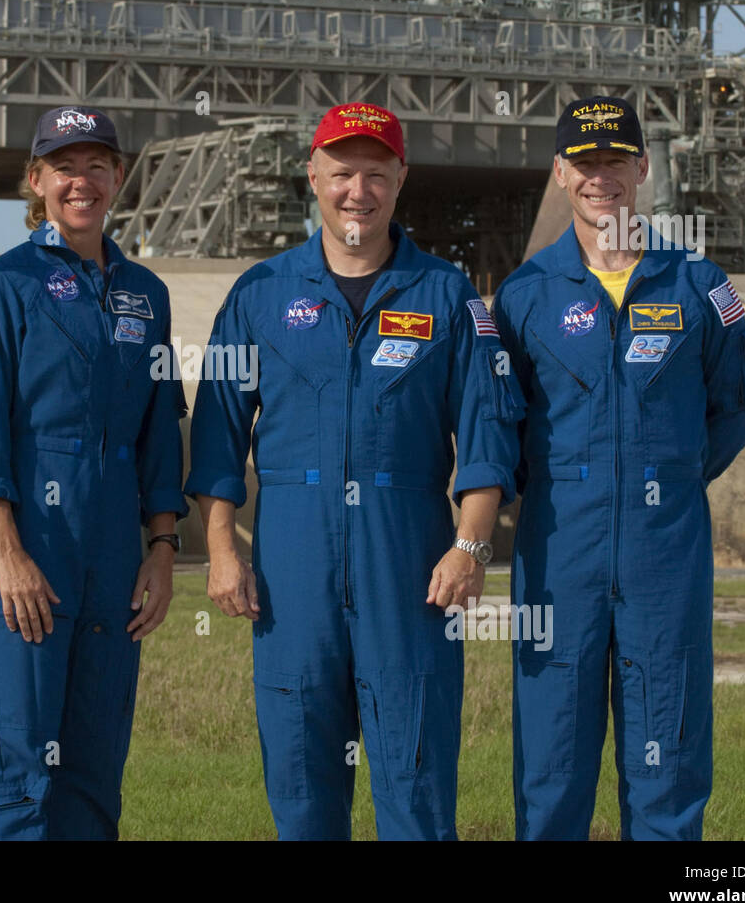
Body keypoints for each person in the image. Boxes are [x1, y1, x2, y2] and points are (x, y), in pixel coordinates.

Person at [187, 102, 524, 840]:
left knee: (416, 785)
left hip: (408, 565)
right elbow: (216, 436)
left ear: (401, 178)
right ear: (313, 175)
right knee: (302, 787)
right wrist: (221, 548)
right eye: (342, 173)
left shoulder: (448, 297)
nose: (357, 191)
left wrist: (470, 546)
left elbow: (489, 432)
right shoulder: (259, 295)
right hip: (292, 571)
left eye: (376, 174)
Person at [493, 95, 745, 840]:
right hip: (558, 557)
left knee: (669, 761)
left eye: (615, 160)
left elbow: (737, 408)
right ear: (559, 173)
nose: (600, 177)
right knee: (552, 762)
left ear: (643, 167)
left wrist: (667, 480)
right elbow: (500, 426)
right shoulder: (523, 296)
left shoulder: (701, 286)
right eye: (584, 163)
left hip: (665, 558)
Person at [0, 106, 188, 840]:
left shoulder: (146, 295)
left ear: (117, 176)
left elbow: (158, 433)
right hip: (30, 544)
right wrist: (6, 549)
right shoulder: (3, 286)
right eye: (63, 166)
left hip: (116, 549)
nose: (79, 181)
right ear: (36, 181)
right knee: (20, 774)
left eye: (95, 165)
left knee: (93, 768)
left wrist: (161, 548)